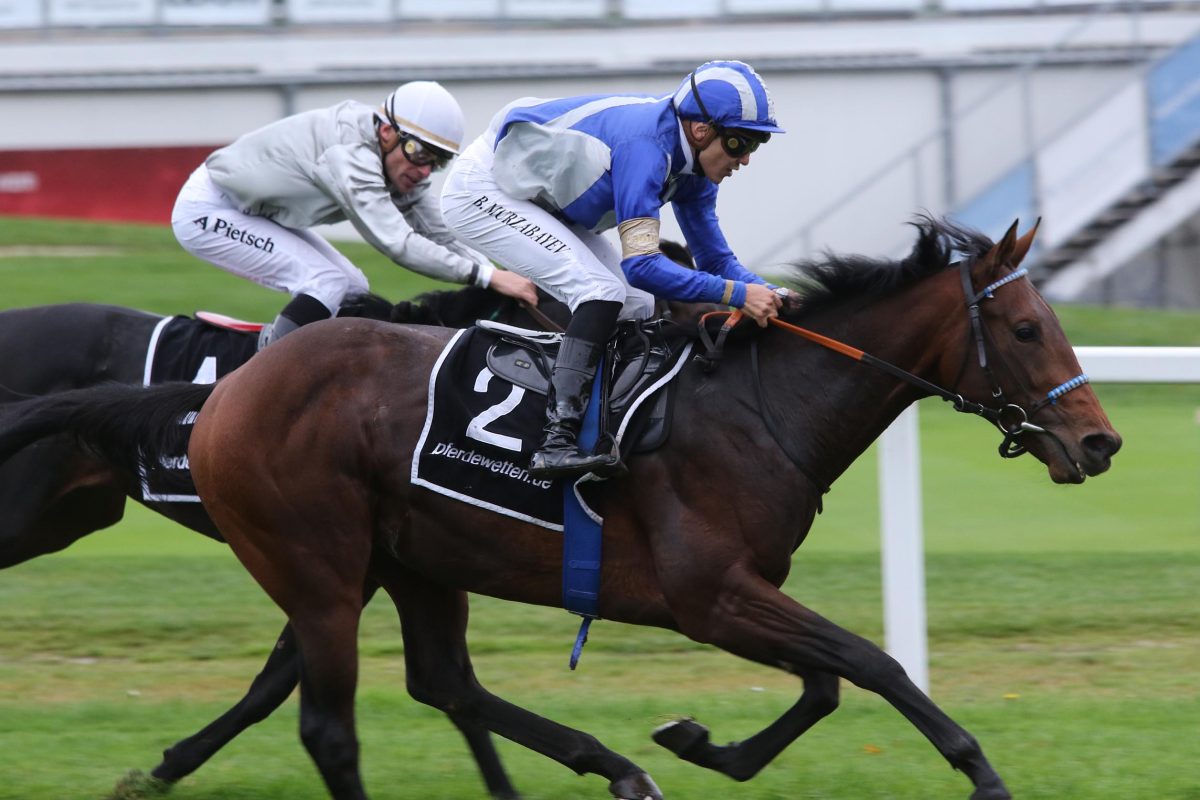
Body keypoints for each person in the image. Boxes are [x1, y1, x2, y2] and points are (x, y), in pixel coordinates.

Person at [441, 60, 785, 480]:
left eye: (756, 145)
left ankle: (607, 428)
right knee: (599, 291)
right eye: (739, 142)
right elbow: (641, 265)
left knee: (638, 305)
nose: (745, 159)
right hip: (483, 189)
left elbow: (715, 262)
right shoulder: (646, 148)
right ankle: (557, 440)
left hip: (543, 201)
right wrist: (736, 295)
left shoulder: (695, 169)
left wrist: (774, 293)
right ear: (701, 130)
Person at [172, 81, 537, 345]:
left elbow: (439, 234)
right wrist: (487, 278)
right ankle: (263, 374)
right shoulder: (350, 155)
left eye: (436, 161)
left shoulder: (397, 159)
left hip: (254, 211)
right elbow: (398, 244)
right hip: (209, 208)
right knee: (325, 282)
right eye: (419, 153)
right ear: (386, 132)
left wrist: (496, 274)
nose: (425, 170)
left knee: (353, 288)